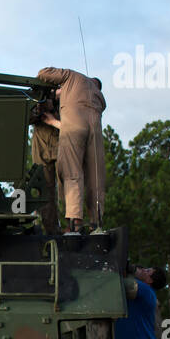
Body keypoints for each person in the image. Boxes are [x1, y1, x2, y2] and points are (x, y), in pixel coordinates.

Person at [35, 67, 105, 232]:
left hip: (71, 132)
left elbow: (43, 73)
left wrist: (58, 92)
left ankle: (75, 223)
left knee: (71, 173)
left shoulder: (71, 76)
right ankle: (97, 223)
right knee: (95, 177)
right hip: (95, 131)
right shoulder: (98, 96)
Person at [29, 98, 62, 235]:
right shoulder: (40, 93)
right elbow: (29, 117)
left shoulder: (68, 94)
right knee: (46, 191)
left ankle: (73, 227)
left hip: (63, 143)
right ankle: (52, 231)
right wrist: (40, 107)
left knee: (68, 187)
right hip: (42, 148)